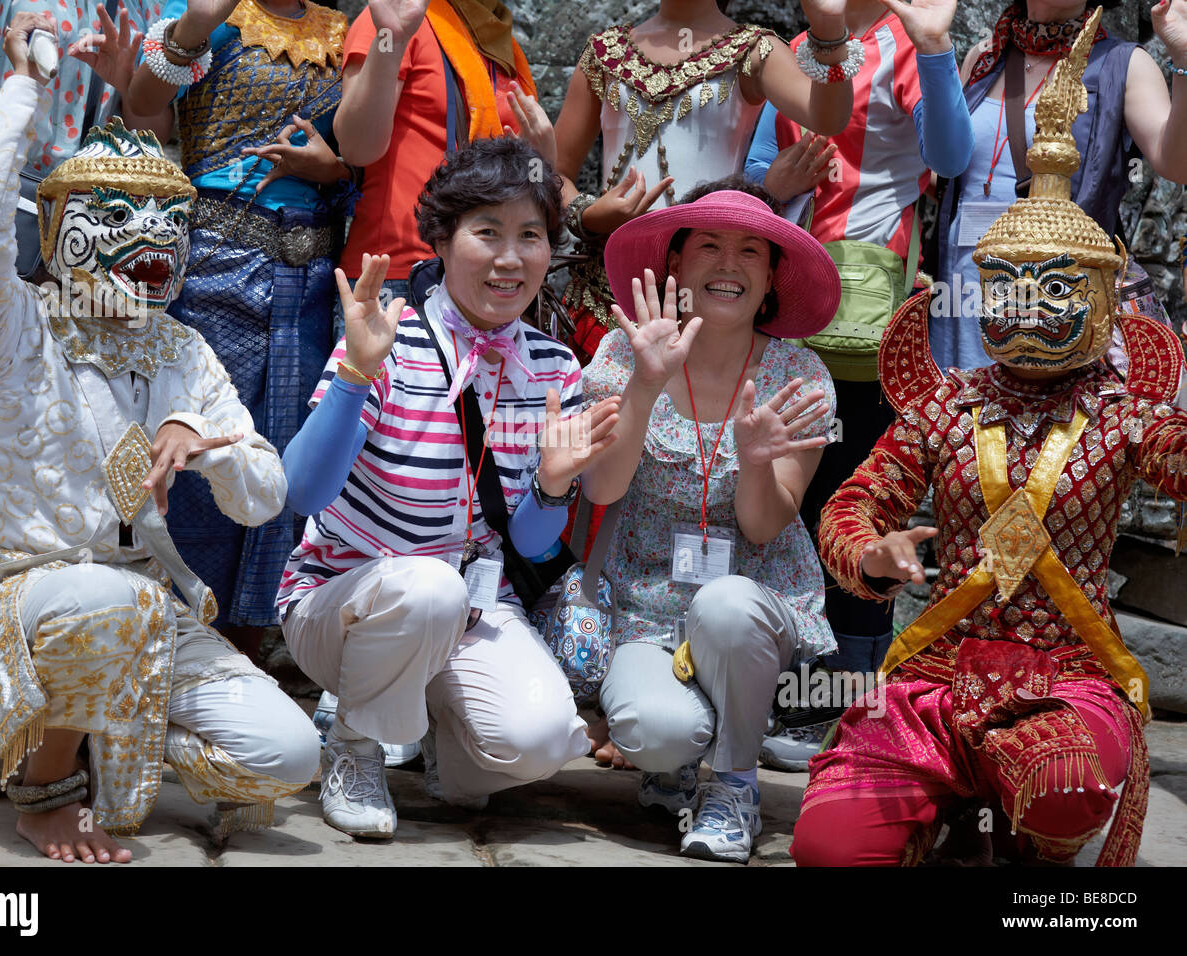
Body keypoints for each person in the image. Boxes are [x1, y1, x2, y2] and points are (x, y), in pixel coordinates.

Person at [792, 12, 1187, 866]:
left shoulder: (1120, 413)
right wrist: (874, 549)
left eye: (1056, 290)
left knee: (1061, 784)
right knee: (829, 844)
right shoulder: (948, 404)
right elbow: (852, 502)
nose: (1026, 310)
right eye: (1004, 286)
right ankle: (934, 814)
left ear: (1101, 299)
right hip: (937, 673)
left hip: (1067, 680)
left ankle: (1042, 868)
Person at [0, 17, 319, 864]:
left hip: (145, 611)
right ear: (58, 229)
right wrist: (26, 87)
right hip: (22, 595)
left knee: (288, 755)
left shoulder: (184, 349)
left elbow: (267, 493)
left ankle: (95, 738)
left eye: (163, 220)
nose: (144, 239)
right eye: (113, 215)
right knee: (114, 601)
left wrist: (206, 441)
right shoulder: (19, 322)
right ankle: (44, 786)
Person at [277, 136, 622, 839]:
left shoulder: (555, 367)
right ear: (440, 238)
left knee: (547, 740)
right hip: (345, 605)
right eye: (486, 232)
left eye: (530, 236)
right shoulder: (389, 338)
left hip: (468, 607)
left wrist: (554, 486)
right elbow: (304, 492)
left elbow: (527, 539)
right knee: (429, 586)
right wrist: (354, 377)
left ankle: (441, 746)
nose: (509, 257)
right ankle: (356, 745)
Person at [577, 177, 840, 863]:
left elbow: (761, 527)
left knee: (724, 608)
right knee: (655, 730)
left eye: (751, 251)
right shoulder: (618, 351)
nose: (729, 266)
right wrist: (645, 381)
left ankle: (733, 785)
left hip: (754, 603)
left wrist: (755, 459)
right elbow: (601, 485)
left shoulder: (801, 376)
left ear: (773, 274)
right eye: (710, 247)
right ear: (674, 262)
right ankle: (676, 759)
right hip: (646, 603)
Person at [743, 0, 972, 770]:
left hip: (872, 326)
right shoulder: (797, 50)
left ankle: (838, 708)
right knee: (788, 508)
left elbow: (951, 152)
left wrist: (935, 50)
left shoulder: (906, 44)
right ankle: (782, 691)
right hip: (789, 319)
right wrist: (774, 186)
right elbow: (752, 181)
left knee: (862, 509)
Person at [118, 0, 355, 663]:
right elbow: (142, 107)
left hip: (309, 272)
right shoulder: (214, 12)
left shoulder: (344, 32)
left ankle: (241, 650)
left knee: (279, 455)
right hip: (215, 258)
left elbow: (364, 154)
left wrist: (331, 170)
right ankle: (166, 643)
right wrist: (195, 26)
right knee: (196, 443)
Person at [0, 0, 165, 502]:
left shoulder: (142, 5)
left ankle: (54, 575)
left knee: (86, 431)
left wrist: (128, 86)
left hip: (89, 228)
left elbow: (151, 139)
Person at [553, 0, 856, 365]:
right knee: (607, 418)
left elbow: (827, 115)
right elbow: (553, 174)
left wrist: (828, 32)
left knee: (703, 417)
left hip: (713, 289)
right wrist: (587, 214)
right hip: (607, 297)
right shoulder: (605, 52)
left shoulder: (753, 51)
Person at [931, 0, 1187, 372]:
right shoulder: (984, 57)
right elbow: (944, 169)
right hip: (965, 292)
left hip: (1057, 306)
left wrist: (1182, 56)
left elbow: (1176, 163)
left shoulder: (1124, 63)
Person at [333, 0, 552, 308]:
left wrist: (540, 164)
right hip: (396, 273)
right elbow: (356, 147)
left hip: (485, 277)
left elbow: (531, 184)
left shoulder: (504, 47)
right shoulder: (397, 19)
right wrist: (391, 41)